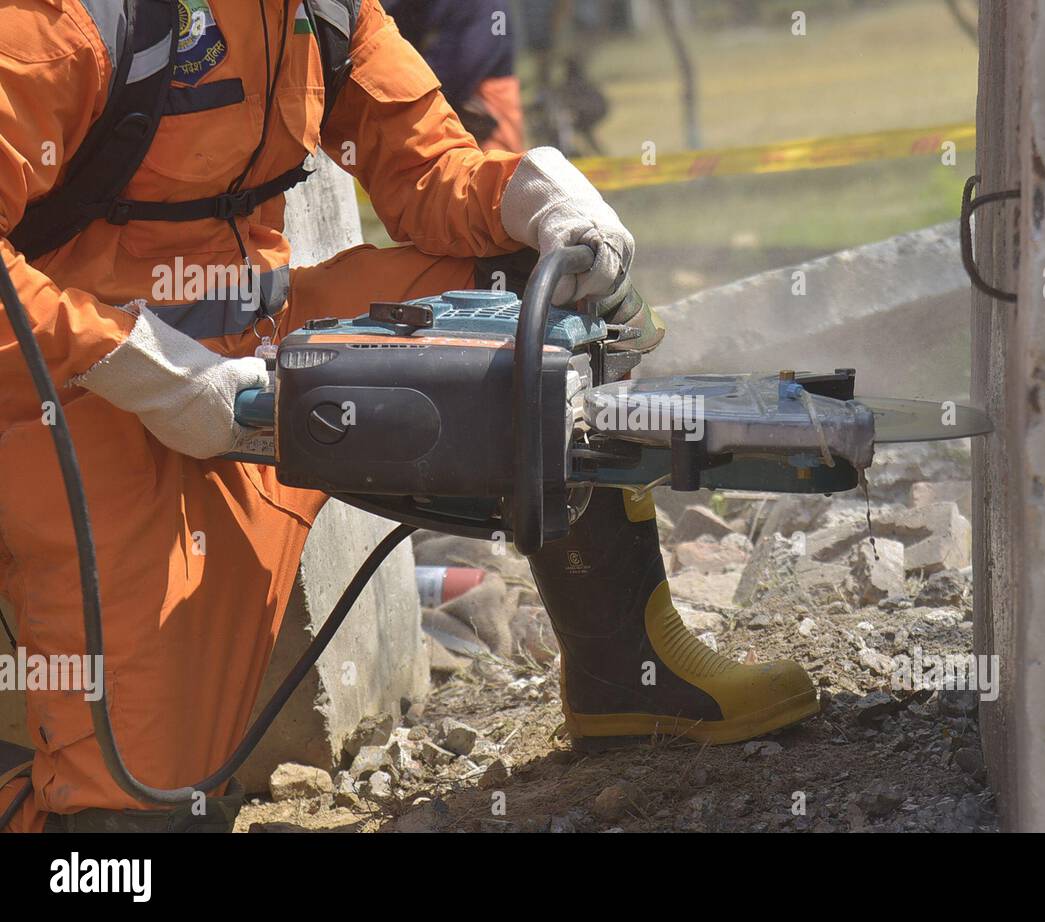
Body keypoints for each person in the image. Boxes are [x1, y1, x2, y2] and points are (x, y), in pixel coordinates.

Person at [0, 0, 816, 833]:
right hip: (61, 387)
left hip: (249, 360)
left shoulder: (321, 12)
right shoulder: (69, 20)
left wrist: (532, 197)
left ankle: (627, 677)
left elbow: (426, 175)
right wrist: (150, 372)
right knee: (134, 815)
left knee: (537, 296)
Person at [382, 0, 525, 153]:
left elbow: (460, 68)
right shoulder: (407, 7)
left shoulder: (483, 6)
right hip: (427, 113)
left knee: (496, 171)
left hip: (481, 118)